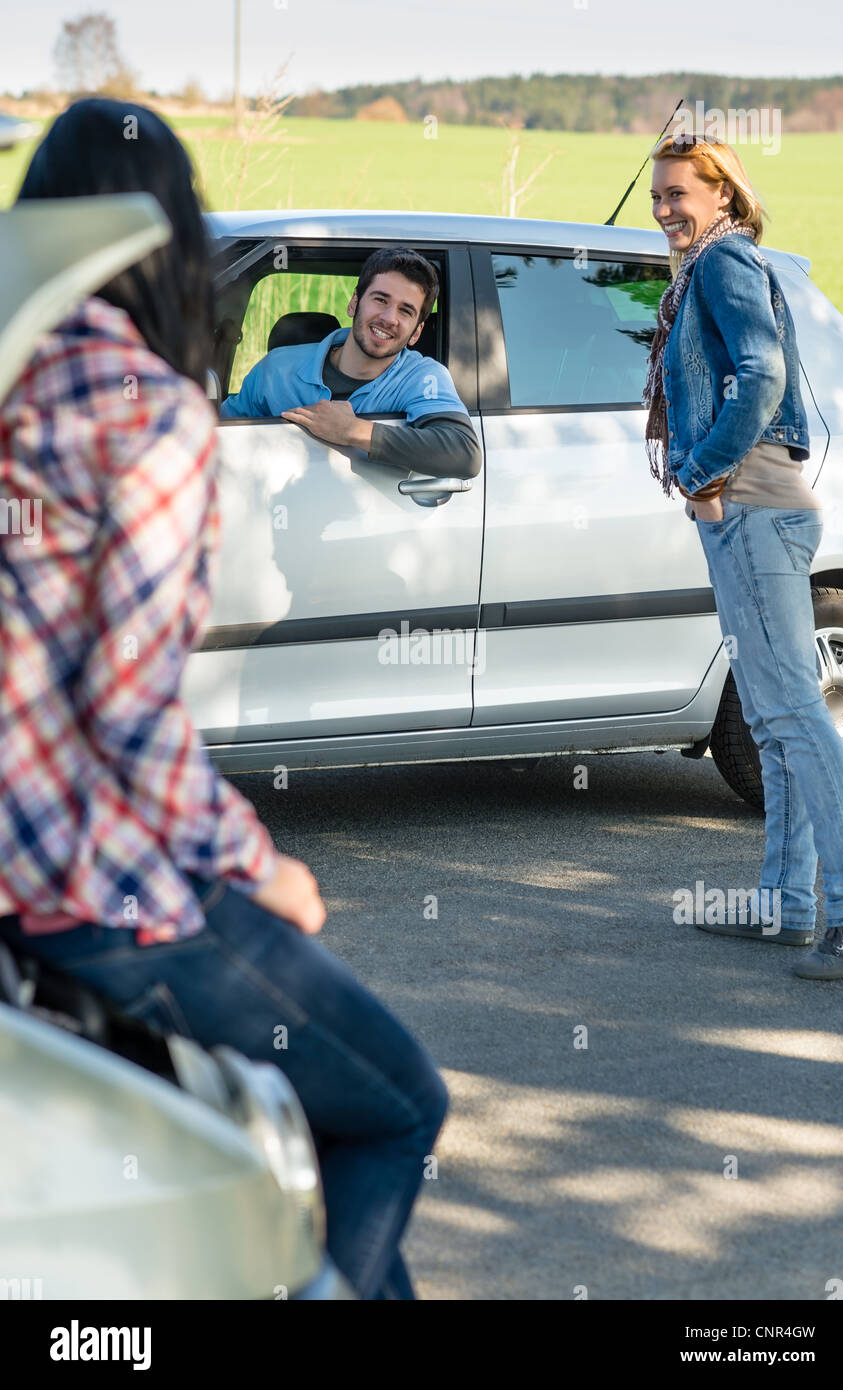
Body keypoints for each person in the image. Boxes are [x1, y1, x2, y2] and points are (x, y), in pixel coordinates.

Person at [0, 97, 447, 1298]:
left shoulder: (10, 372)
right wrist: (255, 864)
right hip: (81, 883)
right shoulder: (150, 408)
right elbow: (131, 713)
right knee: (399, 1103)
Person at [644, 131, 843, 981]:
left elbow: (760, 374)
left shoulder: (726, 265)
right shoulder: (703, 270)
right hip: (742, 512)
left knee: (798, 722)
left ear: (724, 197)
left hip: (756, 510)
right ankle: (787, 904)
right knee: (773, 723)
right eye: (657, 196)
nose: (665, 209)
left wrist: (702, 471)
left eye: (680, 194)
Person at [220, 245, 482, 480]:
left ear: (416, 332)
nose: (389, 318)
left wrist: (353, 430)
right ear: (354, 303)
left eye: (406, 311)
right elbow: (217, 434)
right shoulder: (277, 368)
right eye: (380, 300)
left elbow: (464, 452)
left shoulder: (420, 377)